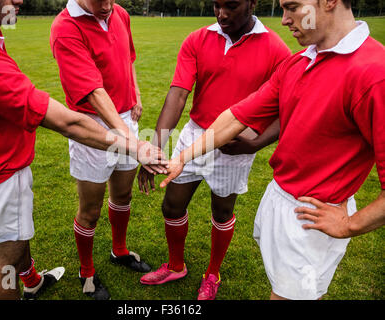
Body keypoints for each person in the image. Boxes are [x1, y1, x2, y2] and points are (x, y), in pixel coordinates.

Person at [0, 0, 165, 300]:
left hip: (7, 166)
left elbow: (127, 60)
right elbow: (67, 122)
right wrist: (136, 146)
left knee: (20, 242)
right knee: (7, 261)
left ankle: (31, 280)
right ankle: (26, 287)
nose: (18, 1)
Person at [161, 0, 385, 300]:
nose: (284, 20)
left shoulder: (375, 72)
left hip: (311, 216)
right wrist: (182, 158)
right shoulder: (300, 62)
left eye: (292, 7)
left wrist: (349, 225)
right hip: (281, 201)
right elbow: (237, 116)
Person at [138, 0, 291, 300]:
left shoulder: (276, 49)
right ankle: (176, 265)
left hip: (235, 144)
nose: (221, 14)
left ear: (252, 4)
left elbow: (288, 108)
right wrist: (155, 150)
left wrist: (256, 143)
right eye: (216, 5)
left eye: (230, 6)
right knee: (172, 204)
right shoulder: (197, 39)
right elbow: (178, 95)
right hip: (194, 134)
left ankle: (213, 274)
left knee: (222, 213)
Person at [50, 0, 157, 300]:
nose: (107, 5)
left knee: (123, 195)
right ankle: (86, 271)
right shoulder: (65, 27)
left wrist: (134, 92)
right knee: (91, 210)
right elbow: (94, 92)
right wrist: (133, 144)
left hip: (125, 118)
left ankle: (119, 250)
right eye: (100, 0)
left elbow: (129, 57)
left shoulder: (119, 12)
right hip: (91, 127)